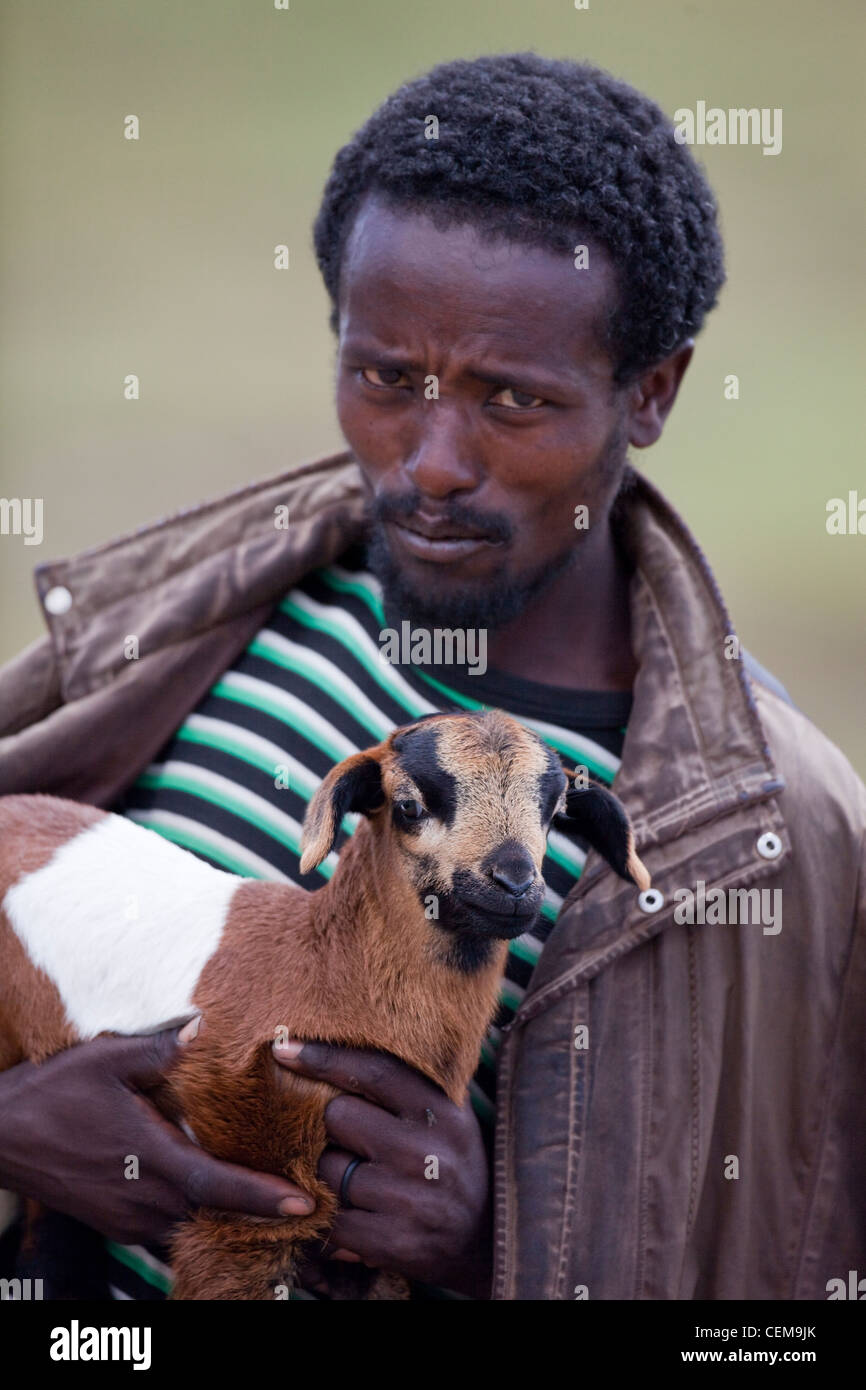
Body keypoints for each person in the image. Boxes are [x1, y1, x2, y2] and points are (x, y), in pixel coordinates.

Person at [1, 53, 864, 1302]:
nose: (432, 462)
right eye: (383, 378)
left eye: (510, 398)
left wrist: (482, 1249)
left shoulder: (768, 834)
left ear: (651, 390)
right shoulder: (209, 602)